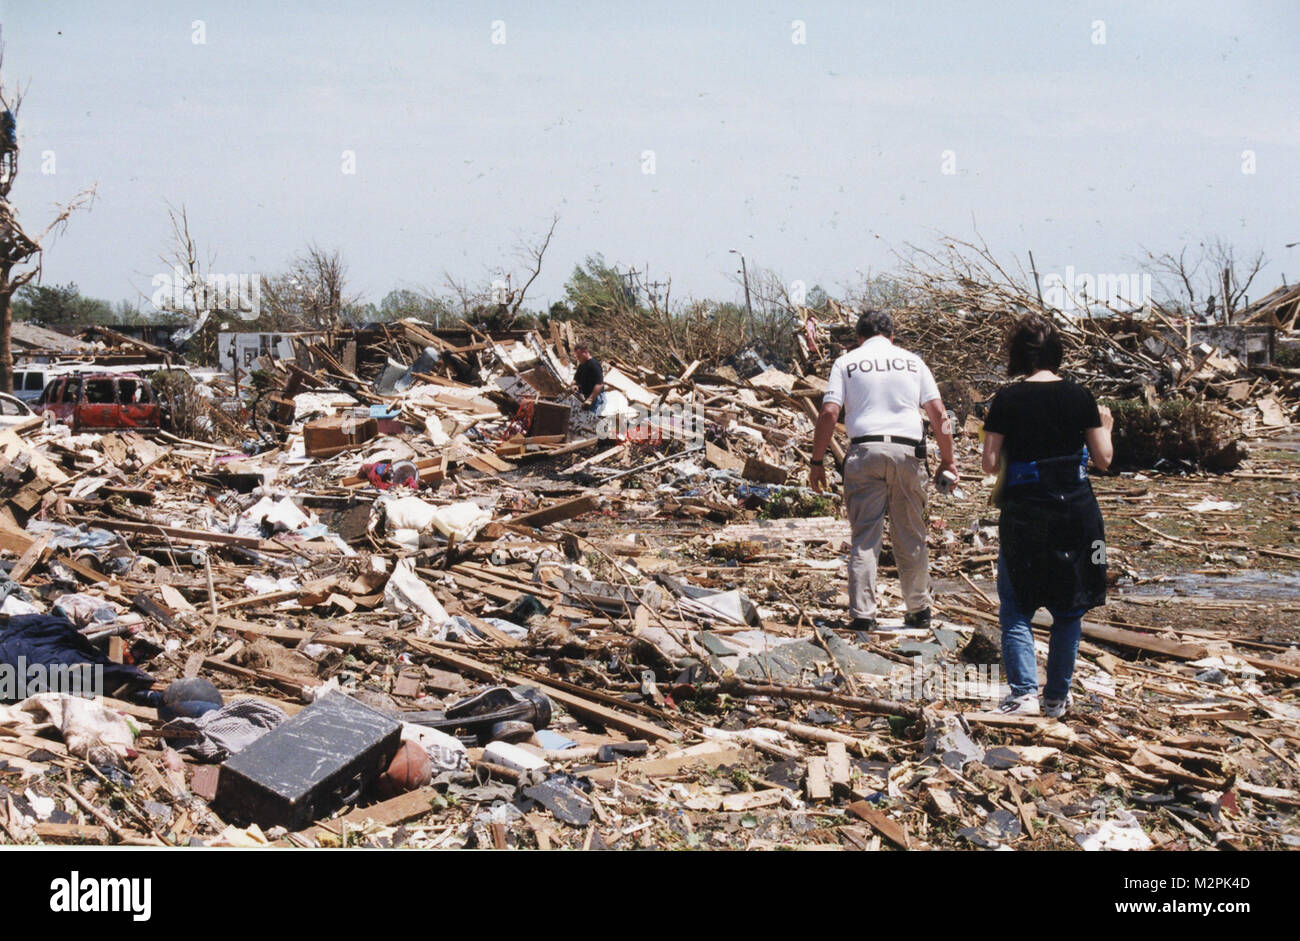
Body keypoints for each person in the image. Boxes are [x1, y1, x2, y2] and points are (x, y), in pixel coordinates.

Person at [981, 314, 1114, 717]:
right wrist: (1106, 425)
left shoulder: (1005, 399)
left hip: (1025, 513)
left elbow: (988, 464)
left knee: (1017, 605)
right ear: (1058, 353)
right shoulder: (1081, 397)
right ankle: (1056, 697)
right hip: (1077, 512)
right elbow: (1104, 459)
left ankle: (1023, 694)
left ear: (1017, 355)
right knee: (1070, 607)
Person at [810, 309, 956, 632]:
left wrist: (817, 461)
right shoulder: (913, 362)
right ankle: (919, 610)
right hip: (908, 452)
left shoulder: (846, 363)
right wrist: (948, 460)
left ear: (859, 337)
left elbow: (829, 413)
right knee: (911, 535)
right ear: (891, 337)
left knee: (865, 537)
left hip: (864, 451)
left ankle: (863, 614)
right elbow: (939, 413)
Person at [572, 344, 606, 413]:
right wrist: (573, 385)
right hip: (586, 396)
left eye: (579, 356)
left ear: (585, 352)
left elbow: (599, 384)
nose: (578, 358)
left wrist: (590, 399)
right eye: (577, 357)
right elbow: (576, 379)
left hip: (595, 398)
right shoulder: (581, 365)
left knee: (590, 419)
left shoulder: (594, 365)